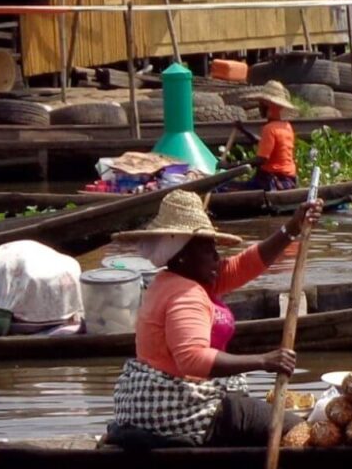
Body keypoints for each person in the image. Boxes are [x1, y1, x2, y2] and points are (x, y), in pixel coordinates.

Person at [104, 190, 323, 447]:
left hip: (172, 399)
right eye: (209, 251)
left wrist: (291, 229)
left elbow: (244, 265)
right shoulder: (185, 292)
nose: (217, 259)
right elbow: (192, 359)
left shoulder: (179, 279)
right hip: (181, 406)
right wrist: (264, 360)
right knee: (299, 431)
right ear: (183, 254)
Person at [226, 81, 298, 191]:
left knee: (224, 187)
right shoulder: (287, 126)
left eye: (261, 104)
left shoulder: (269, 128)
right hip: (289, 179)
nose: (259, 108)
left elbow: (261, 159)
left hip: (271, 180)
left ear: (268, 106)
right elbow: (263, 143)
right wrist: (243, 130)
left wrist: (232, 166)